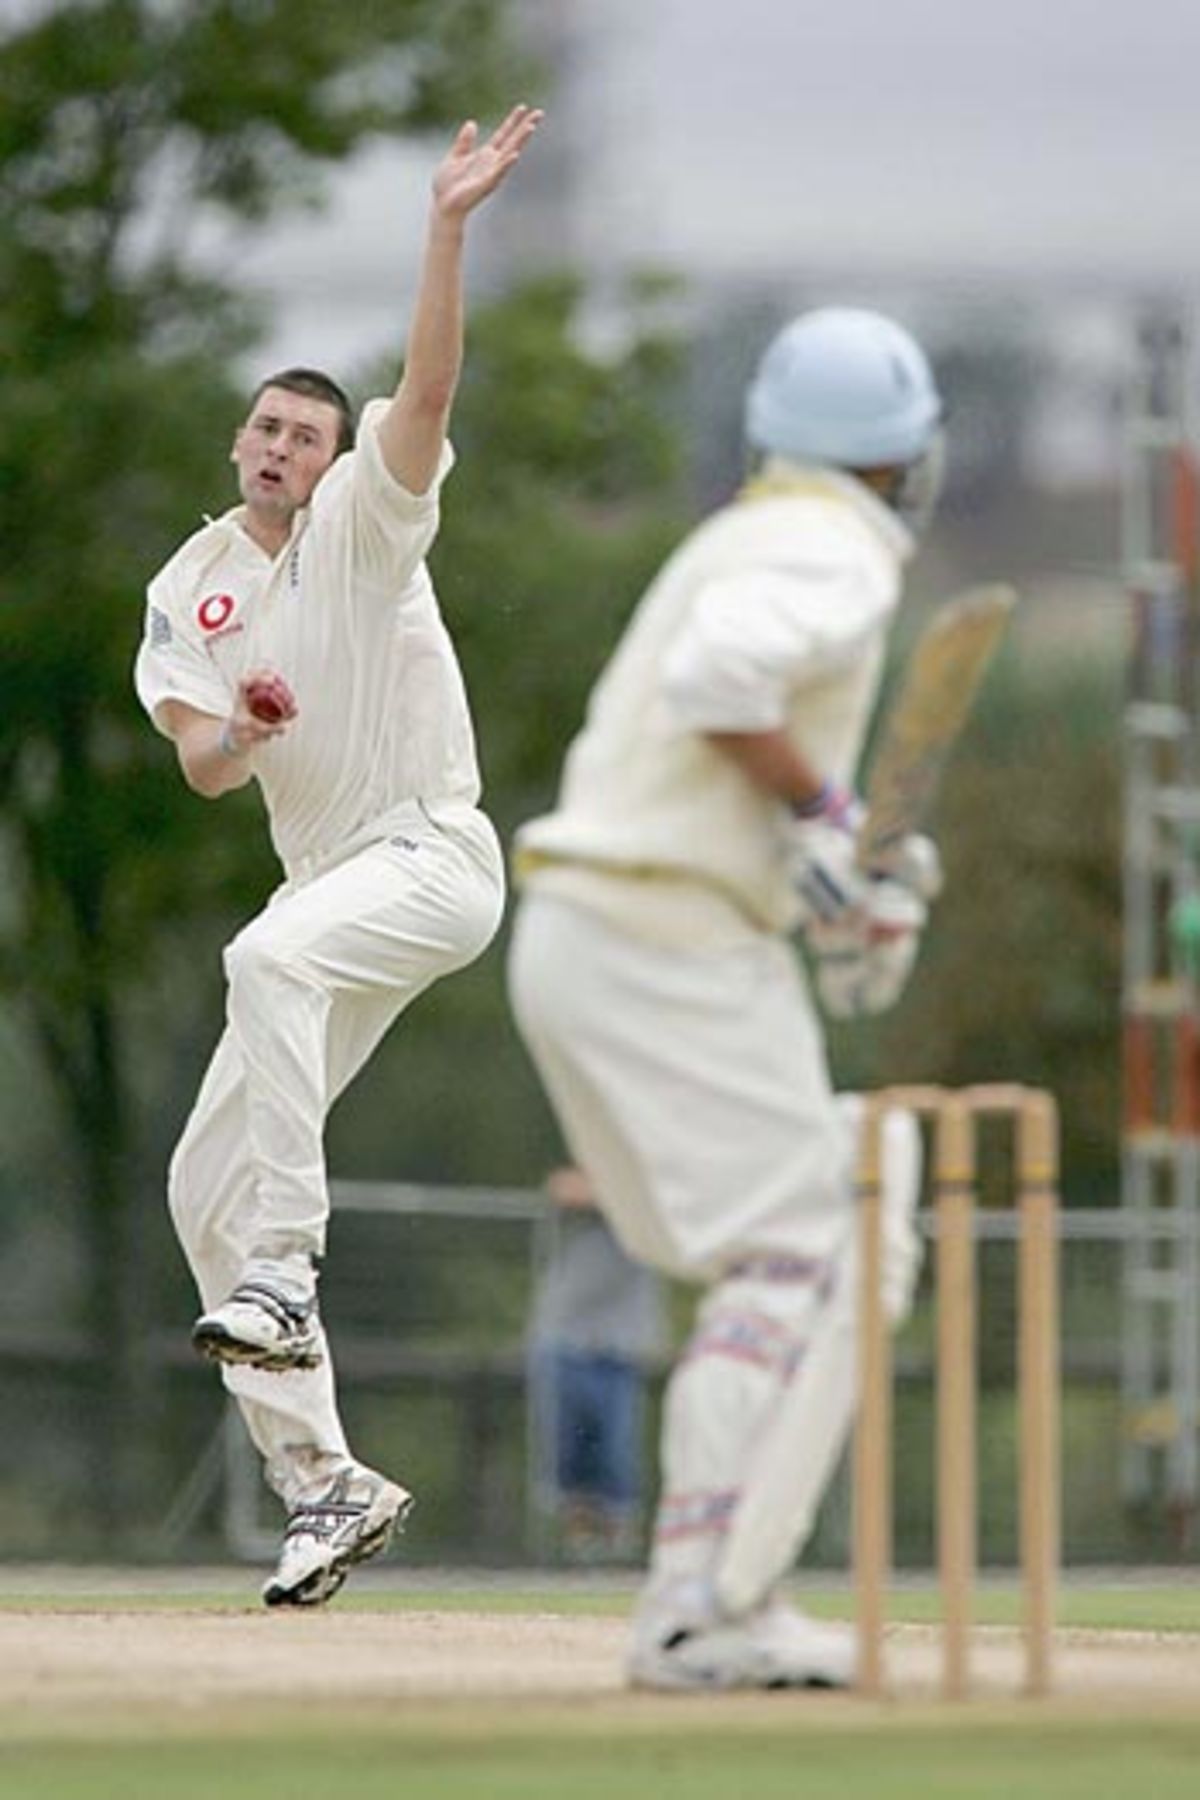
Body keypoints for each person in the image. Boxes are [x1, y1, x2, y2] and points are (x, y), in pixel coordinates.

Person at [134, 104, 542, 1608]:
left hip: (431, 855)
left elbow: (426, 387)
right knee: (199, 1184)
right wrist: (244, 732)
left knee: (264, 958)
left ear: (331, 460)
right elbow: (197, 763)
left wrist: (443, 228)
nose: (284, 449)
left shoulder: (369, 521)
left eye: (308, 436)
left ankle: (289, 1275)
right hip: (328, 895)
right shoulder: (192, 584)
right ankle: (324, 1484)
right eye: (269, 429)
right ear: (239, 443)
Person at [506, 307, 941, 1690]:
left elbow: (713, 740)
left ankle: (704, 1588)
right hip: (660, 941)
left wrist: (841, 870)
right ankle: (702, 1601)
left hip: (602, 932)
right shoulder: (836, 551)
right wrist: (827, 808)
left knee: (799, 1238)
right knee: (827, 1239)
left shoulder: (736, 535)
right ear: (908, 464)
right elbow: (719, 684)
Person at [528, 1166, 667, 1563]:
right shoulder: (595, 1178)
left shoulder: (649, 1202)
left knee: (615, 1451)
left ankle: (618, 1548)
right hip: (566, 1338)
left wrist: (617, 1194)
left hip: (621, 1345)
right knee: (568, 1452)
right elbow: (563, 1189)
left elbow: (658, 1202)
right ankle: (576, 1548)